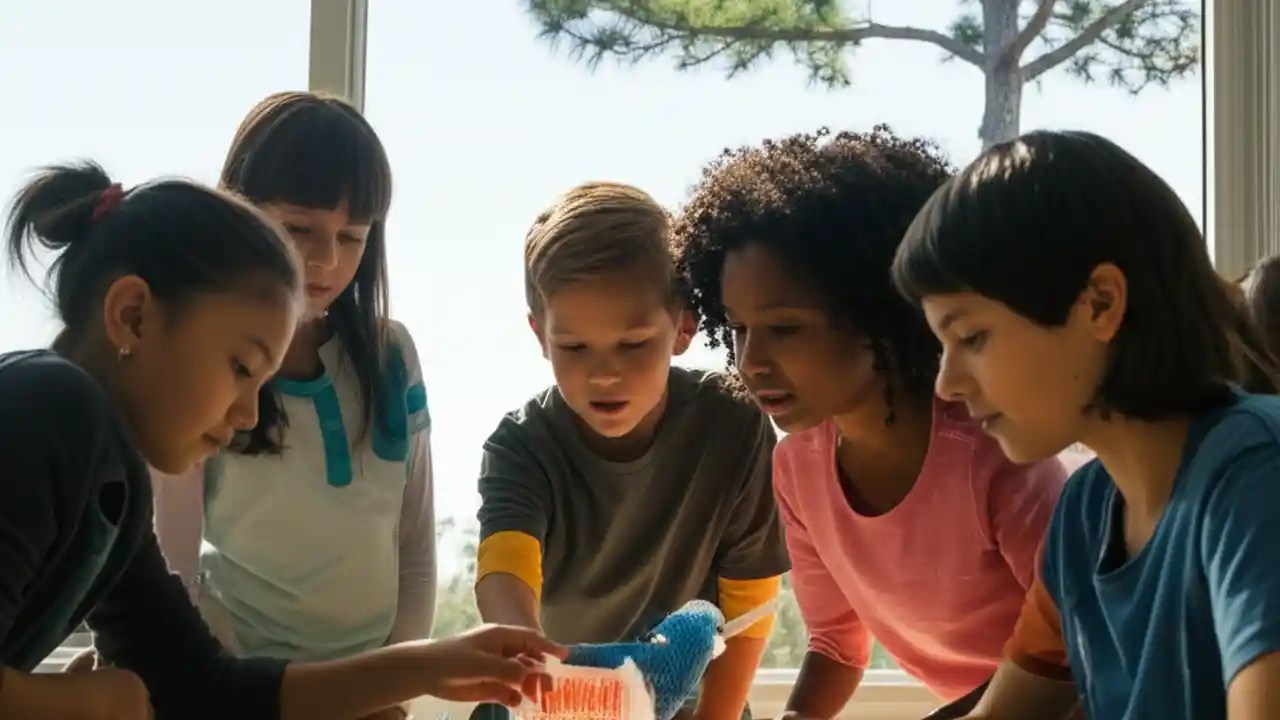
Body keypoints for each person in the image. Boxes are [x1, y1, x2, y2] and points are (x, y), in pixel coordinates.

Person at [0, 162, 561, 719]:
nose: (247, 416)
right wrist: (87, 705)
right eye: (241, 368)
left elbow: (204, 688)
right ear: (134, 316)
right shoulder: (50, 410)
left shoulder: (112, 488)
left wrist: (427, 666)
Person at [673, 126, 1068, 718]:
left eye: (784, 329)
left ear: (878, 313)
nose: (751, 361)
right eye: (738, 328)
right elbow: (837, 645)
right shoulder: (797, 468)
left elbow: (1082, 643)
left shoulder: (995, 454)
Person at [892, 129, 1280, 720]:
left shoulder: (1257, 474)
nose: (947, 384)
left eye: (971, 337)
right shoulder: (1086, 512)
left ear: (1100, 304)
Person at [474, 181, 791, 720]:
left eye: (633, 343)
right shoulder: (520, 446)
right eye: (574, 347)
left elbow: (751, 601)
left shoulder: (735, 425)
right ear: (541, 337)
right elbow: (505, 573)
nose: (604, 374)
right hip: (558, 701)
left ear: (684, 326)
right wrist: (537, 675)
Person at [151, 93, 435, 687]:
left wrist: (396, 683)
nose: (324, 259)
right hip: (242, 679)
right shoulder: (203, 361)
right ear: (240, 216)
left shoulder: (394, 356)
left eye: (352, 236)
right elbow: (173, 563)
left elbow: (414, 544)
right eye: (298, 228)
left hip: (372, 685)